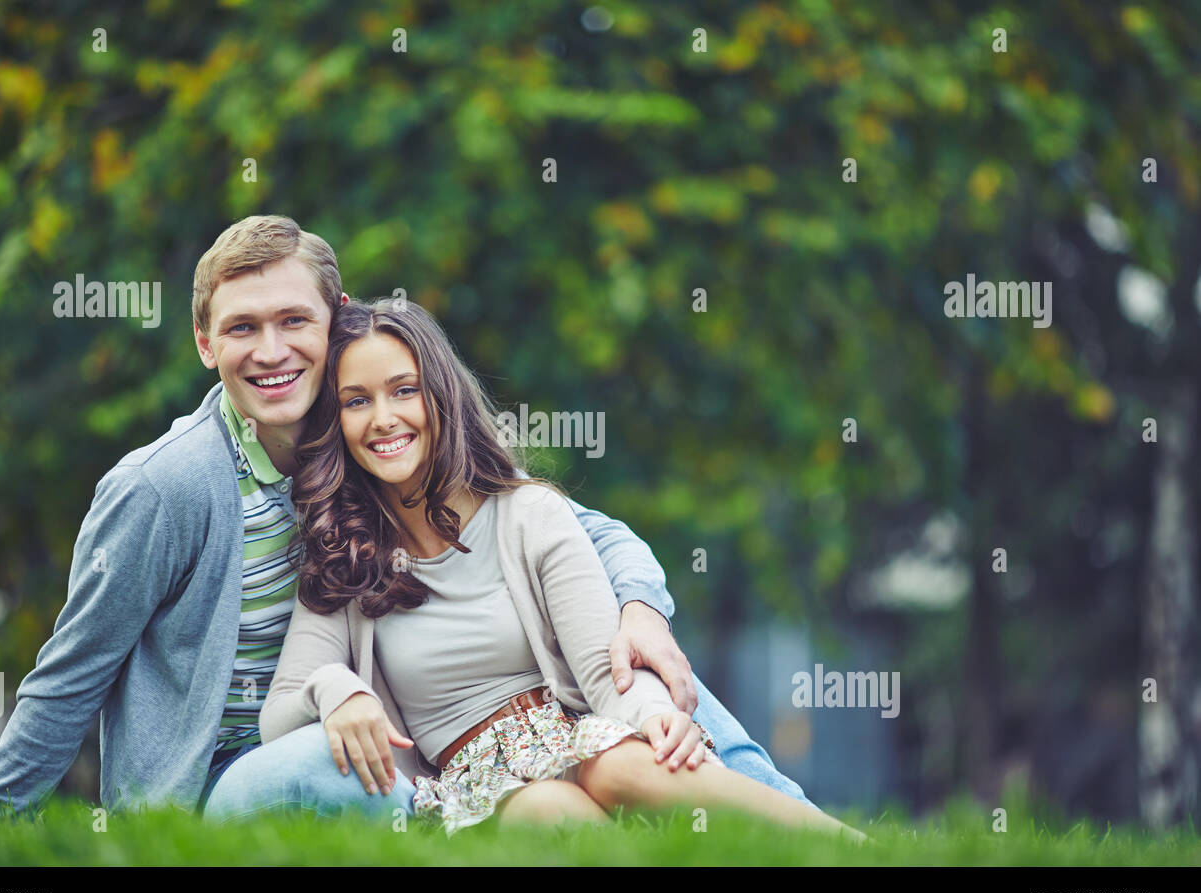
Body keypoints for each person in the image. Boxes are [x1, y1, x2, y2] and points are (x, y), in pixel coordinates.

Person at [0, 214, 811, 823]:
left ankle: (823, 835)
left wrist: (638, 605)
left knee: (645, 673)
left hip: (431, 747)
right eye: (242, 329)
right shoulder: (168, 487)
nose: (270, 351)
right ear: (203, 343)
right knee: (340, 765)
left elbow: (570, 526)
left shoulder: (374, 450)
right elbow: (70, 673)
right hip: (229, 773)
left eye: (294, 321)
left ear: (334, 325)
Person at [259, 297, 864, 841]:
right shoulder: (345, 555)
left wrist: (655, 717)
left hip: (577, 738)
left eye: (404, 390)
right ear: (336, 422)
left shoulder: (529, 514)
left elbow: (605, 670)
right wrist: (336, 691)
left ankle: (844, 846)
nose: (383, 418)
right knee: (546, 809)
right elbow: (279, 714)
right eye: (356, 401)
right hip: (474, 785)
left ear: (441, 395)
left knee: (621, 761)